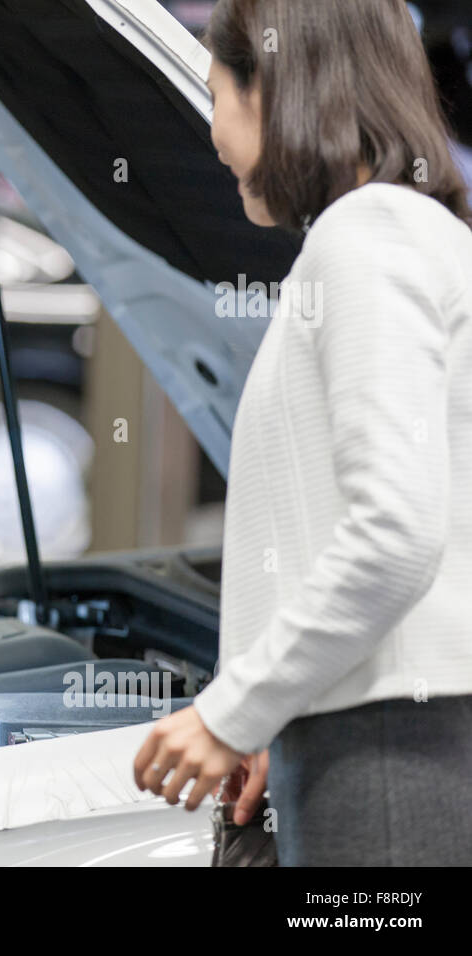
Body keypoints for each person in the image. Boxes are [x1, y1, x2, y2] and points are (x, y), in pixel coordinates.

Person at [133, 0, 472, 865]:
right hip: (391, 739)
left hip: (390, 755)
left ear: (281, 90)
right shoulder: (408, 234)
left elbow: (394, 535)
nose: (211, 134)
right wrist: (273, 711)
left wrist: (231, 710)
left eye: (219, 96)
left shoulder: (368, 239)